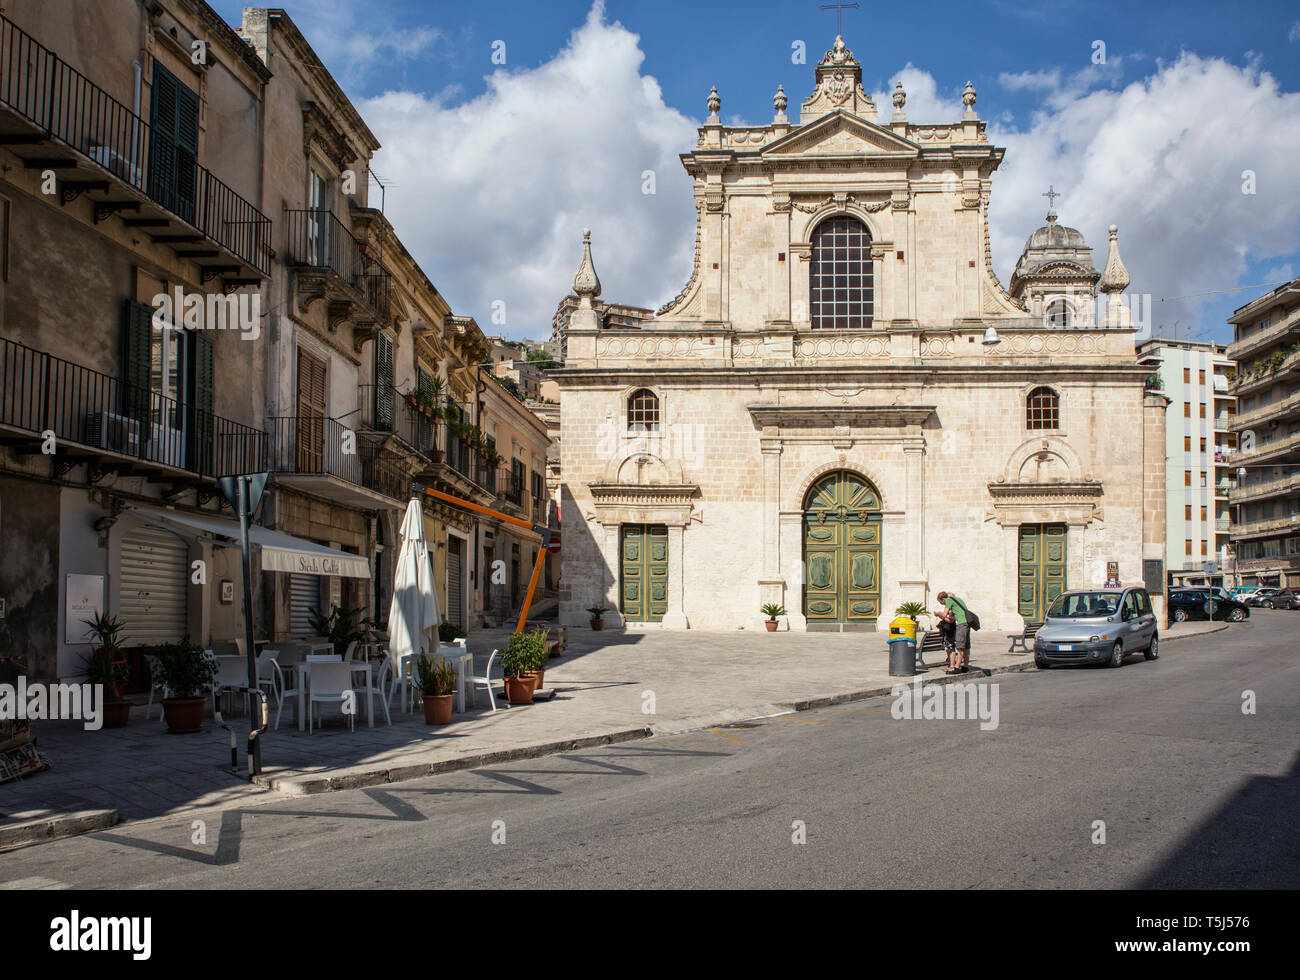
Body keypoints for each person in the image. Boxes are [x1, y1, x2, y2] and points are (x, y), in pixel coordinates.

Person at [935, 591, 971, 674]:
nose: (942, 604)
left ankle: (957, 667)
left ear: (943, 599)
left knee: (960, 646)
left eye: (941, 602)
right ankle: (965, 666)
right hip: (967, 623)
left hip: (962, 624)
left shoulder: (949, 600)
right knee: (966, 646)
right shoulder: (958, 599)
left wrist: (938, 614)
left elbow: (944, 615)